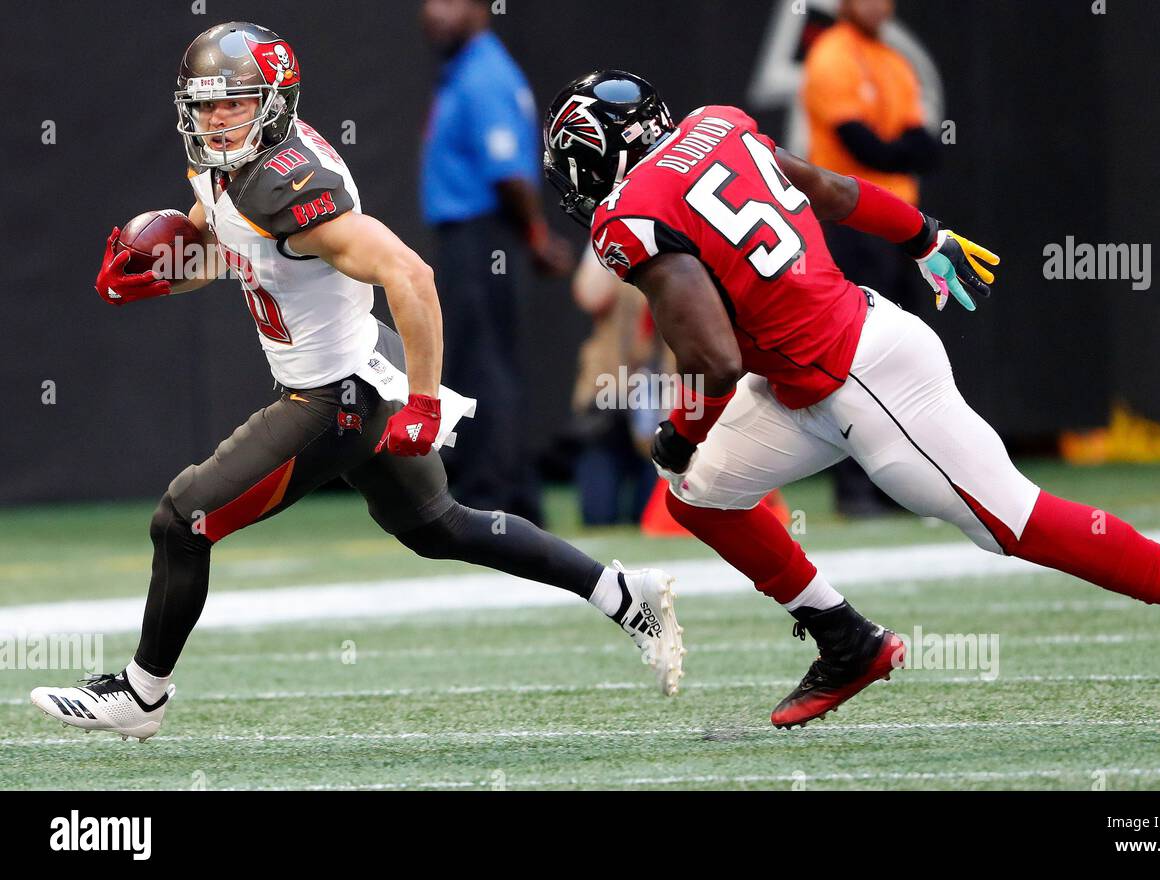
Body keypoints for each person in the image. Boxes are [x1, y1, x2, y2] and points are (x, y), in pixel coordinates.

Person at [543, 70, 1160, 729]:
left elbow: (711, 359)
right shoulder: (718, 125)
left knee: (1017, 524)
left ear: (597, 153)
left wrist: (679, 430)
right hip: (806, 376)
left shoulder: (628, 217)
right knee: (699, 496)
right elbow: (830, 191)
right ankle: (846, 640)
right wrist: (923, 234)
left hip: (863, 377)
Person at [28, 25, 682, 743]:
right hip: (357, 369)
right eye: (206, 106)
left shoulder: (287, 185)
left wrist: (427, 402)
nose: (217, 121)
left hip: (334, 398)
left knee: (183, 517)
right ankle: (624, 594)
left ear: (273, 104)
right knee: (442, 528)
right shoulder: (226, 167)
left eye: (234, 105)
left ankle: (142, 695)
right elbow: (234, 247)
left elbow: (411, 276)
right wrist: (167, 269)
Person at [420, 0, 574, 523]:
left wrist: (534, 235)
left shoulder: (484, 74)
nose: (433, 13)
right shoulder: (465, 68)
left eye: (448, 1)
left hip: (484, 236)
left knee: (483, 366)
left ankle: (494, 497)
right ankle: (510, 492)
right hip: (477, 236)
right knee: (480, 362)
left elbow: (509, 173)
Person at [802, 0, 940, 516]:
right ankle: (853, 489)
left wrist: (897, 150)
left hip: (902, 227)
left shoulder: (893, 61)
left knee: (906, 357)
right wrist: (897, 150)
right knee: (851, 358)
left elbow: (925, 145)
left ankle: (905, 486)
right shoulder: (831, 56)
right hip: (850, 230)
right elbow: (862, 148)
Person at [568, 249, 661, 525]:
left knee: (650, 515)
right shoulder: (615, 239)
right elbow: (591, 296)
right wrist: (607, 243)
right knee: (598, 515)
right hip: (609, 389)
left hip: (664, 390)